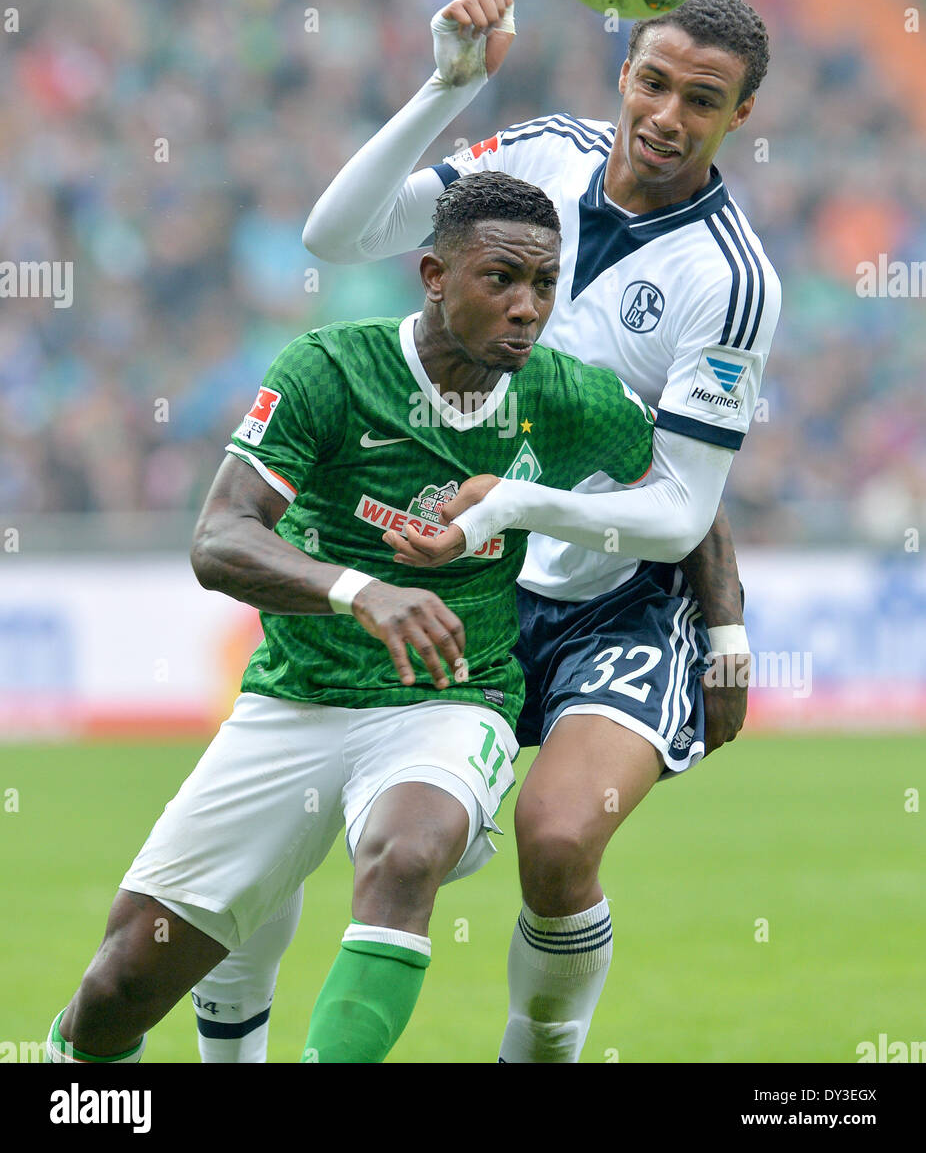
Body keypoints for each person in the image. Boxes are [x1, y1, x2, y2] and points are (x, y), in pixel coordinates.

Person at [195, 0, 780, 1065]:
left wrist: (717, 617)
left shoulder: (732, 280)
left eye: (699, 100)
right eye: (650, 82)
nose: (663, 115)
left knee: (557, 840)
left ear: (737, 115)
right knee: (278, 830)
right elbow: (337, 234)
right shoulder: (546, 153)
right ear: (622, 72)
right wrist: (442, 86)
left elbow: (677, 507)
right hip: (474, 588)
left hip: (614, 602)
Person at [46, 172, 659, 1066]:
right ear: (434, 275)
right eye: (501, 280)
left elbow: (690, 493)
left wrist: (722, 636)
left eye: (544, 285)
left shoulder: (565, 396)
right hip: (296, 697)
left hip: (451, 699)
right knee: (118, 991)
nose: (527, 308)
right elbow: (220, 538)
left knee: (407, 857)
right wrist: (357, 591)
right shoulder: (330, 370)